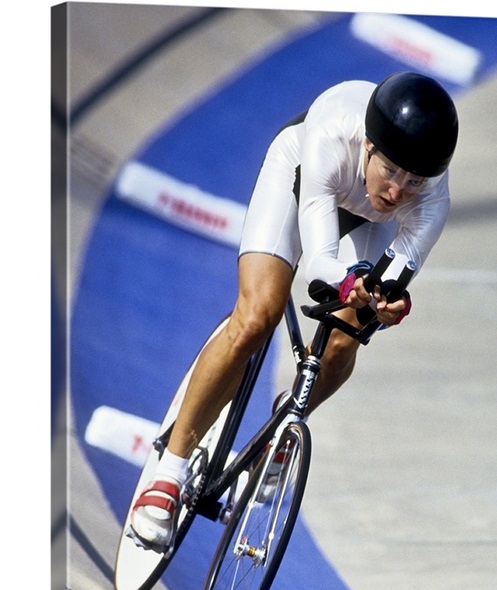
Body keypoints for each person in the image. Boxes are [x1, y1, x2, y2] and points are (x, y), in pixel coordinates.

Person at [129, 71, 459, 550]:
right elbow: (319, 263)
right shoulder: (333, 131)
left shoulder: (431, 200)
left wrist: (390, 302)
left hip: (366, 225)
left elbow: (396, 277)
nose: (397, 192)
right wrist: (349, 282)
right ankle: (169, 472)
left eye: (414, 182)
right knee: (257, 318)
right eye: (390, 171)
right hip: (303, 180)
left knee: (347, 338)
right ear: (369, 146)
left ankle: (283, 427)